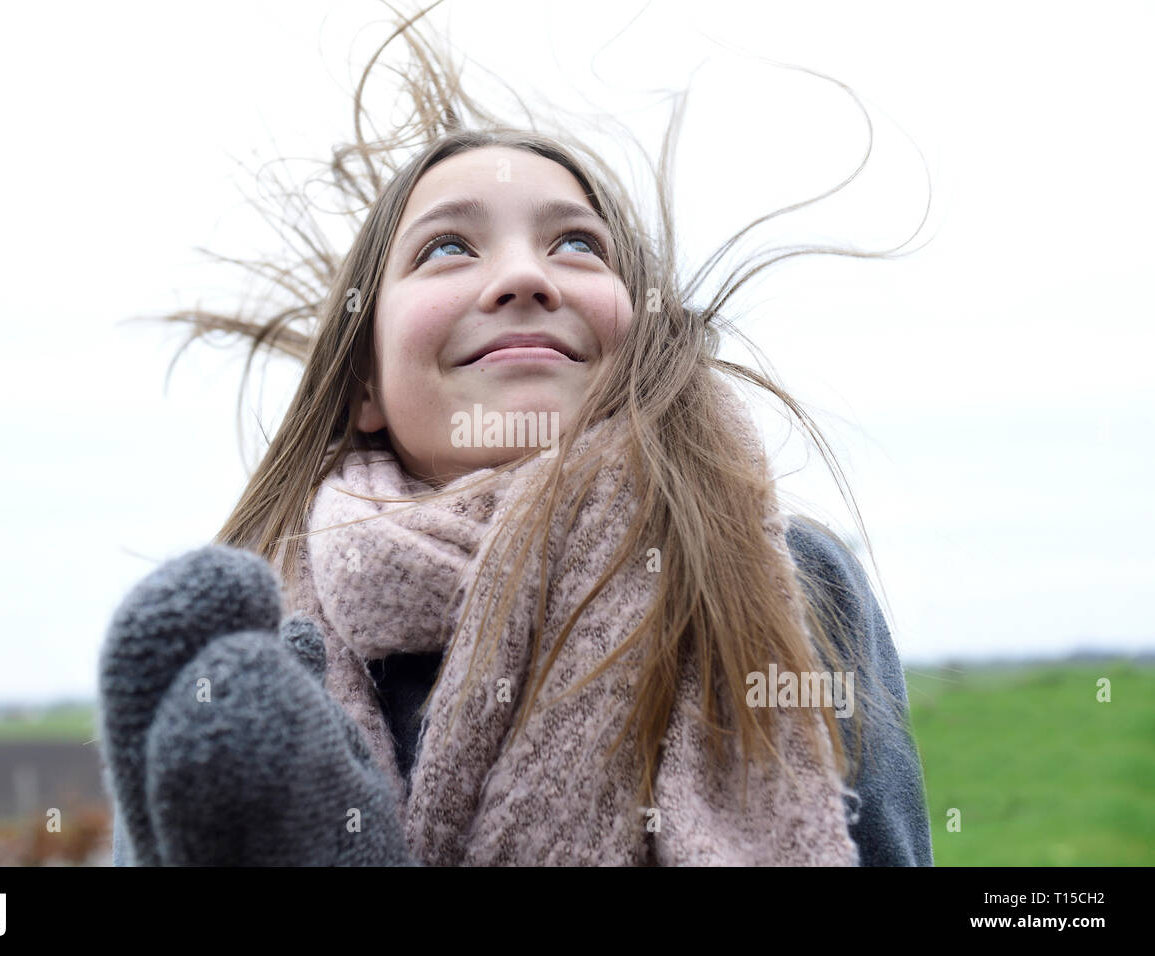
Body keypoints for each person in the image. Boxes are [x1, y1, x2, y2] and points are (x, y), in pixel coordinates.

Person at [99, 1, 933, 866]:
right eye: (447, 249)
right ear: (363, 387)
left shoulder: (788, 577)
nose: (526, 275)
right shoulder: (253, 645)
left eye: (577, 243)